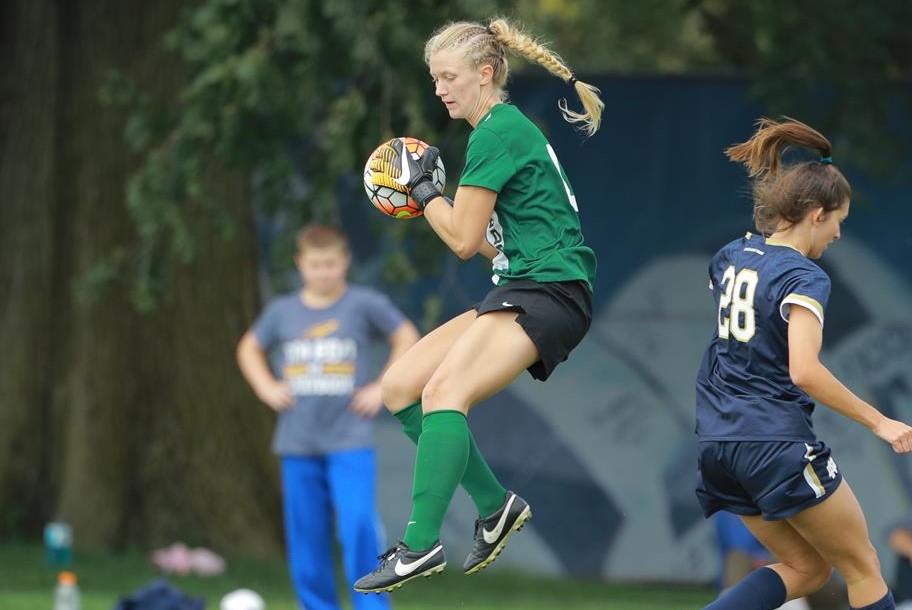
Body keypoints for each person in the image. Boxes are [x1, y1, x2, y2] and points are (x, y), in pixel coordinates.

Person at [353, 17, 604, 594]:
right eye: (434, 78)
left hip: (550, 291)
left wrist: (423, 194)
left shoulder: (496, 132)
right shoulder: (497, 132)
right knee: (399, 387)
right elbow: (489, 244)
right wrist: (433, 200)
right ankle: (495, 507)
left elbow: (463, 241)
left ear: (486, 74)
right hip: (523, 282)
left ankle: (418, 546)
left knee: (445, 393)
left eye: (449, 77)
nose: (439, 88)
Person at [694, 117, 912, 610]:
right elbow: (804, 371)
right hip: (773, 441)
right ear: (816, 213)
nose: (838, 234)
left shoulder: (731, 256)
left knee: (808, 568)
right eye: (839, 220)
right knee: (863, 567)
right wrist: (879, 421)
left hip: (718, 444)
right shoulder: (804, 276)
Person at [236, 223, 420, 610]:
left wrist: (380, 387)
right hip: (297, 443)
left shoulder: (363, 303)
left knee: (357, 528)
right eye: (315, 264)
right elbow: (249, 348)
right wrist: (266, 387)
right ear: (300, 264)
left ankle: (371, 605)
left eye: (331, 264)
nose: (323, 272)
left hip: (349, 442)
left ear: (345, 262)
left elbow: (406, 335)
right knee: (306, 537)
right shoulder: (282, 311)